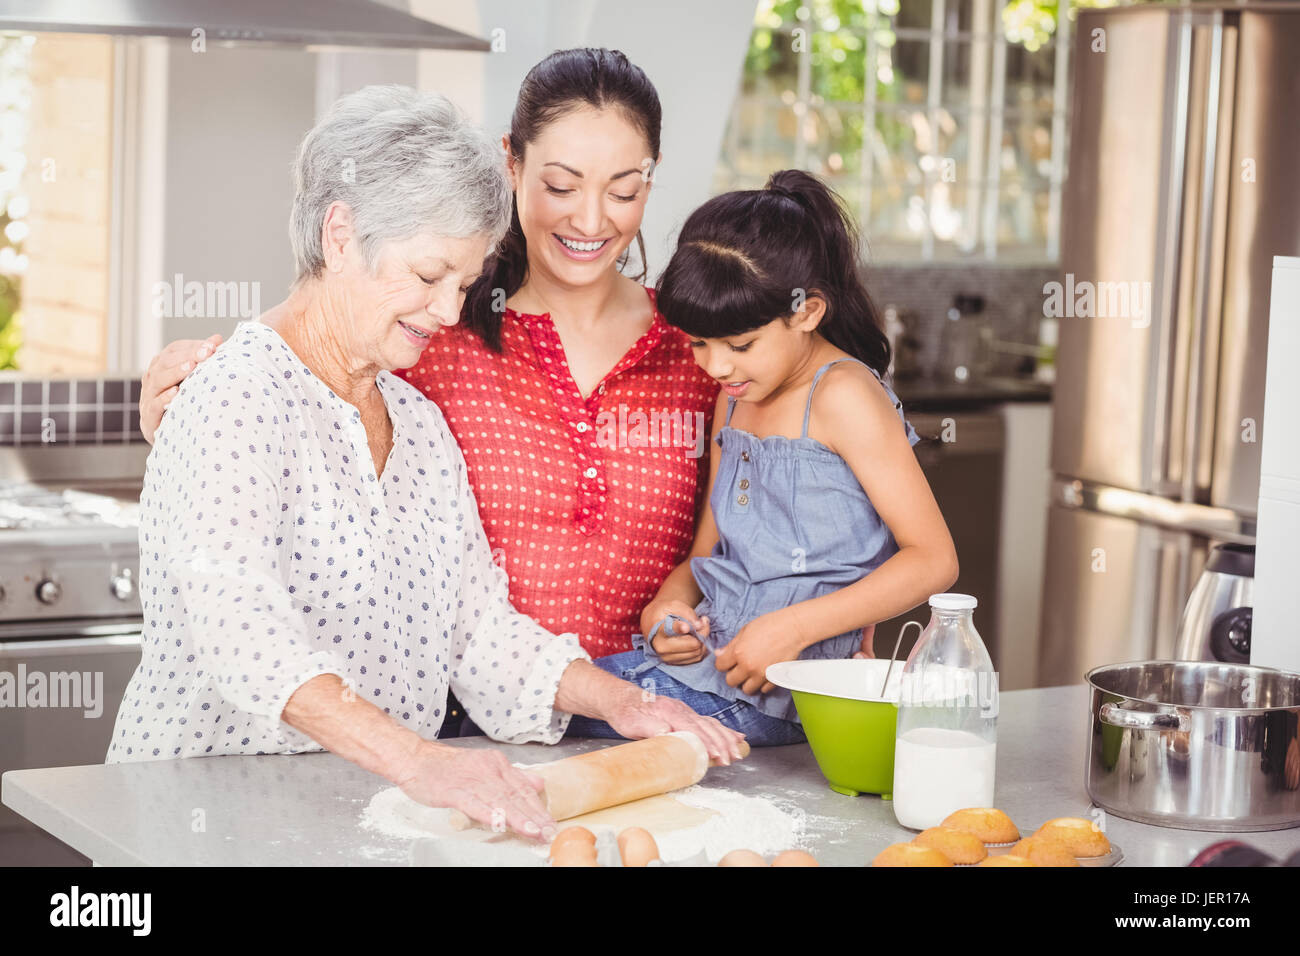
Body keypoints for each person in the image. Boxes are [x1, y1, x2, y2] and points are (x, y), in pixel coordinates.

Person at [107, 85, 744, 843]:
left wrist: (620, 702)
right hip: (203, 821)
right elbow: (244, 636)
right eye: (428, 274)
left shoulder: (418, 425)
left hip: (356, 822)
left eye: (467, 283)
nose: (448, 311)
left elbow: (476, 631)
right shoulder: (233, 398)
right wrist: (421, 762)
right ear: (340, 236)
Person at [566, 170, 960, 745]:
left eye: (740, 345)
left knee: (543, 722)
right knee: (543, 699)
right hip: (704, 674)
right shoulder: (734, 402)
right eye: (699, 343)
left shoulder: (843, 396)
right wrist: (668, 610)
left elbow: (934, 560)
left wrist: (793, 628)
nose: (716, 367)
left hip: (782, 698)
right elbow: (708, 554)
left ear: (806, 313)